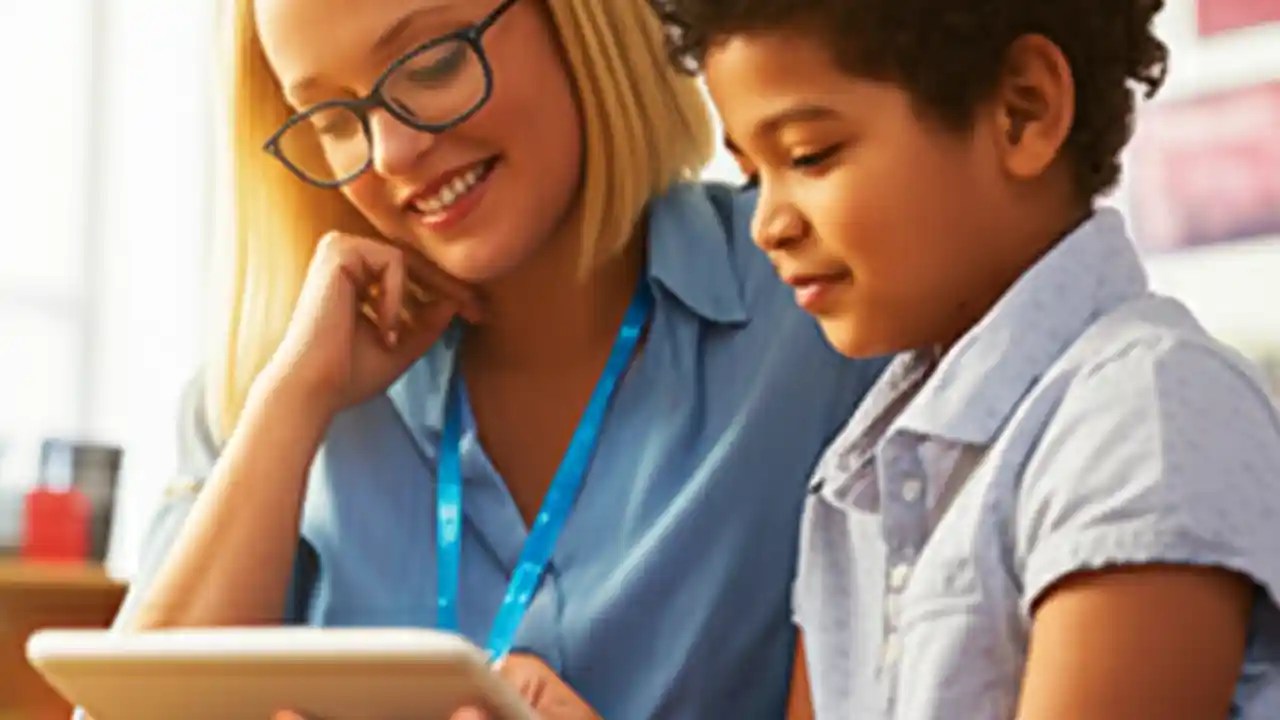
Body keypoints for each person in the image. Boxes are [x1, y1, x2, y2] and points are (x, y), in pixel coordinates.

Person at [105, 0, 888, 718]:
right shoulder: (278, 390)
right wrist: (288, 403)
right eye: (331, 118)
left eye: (434, 63)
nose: (393, 153)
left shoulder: (827, 308)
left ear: (579, 23)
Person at [655, 0, 1280, 718]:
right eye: (751, 177)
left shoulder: (1149, 414)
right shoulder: (857, 480)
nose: (768, 224)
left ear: (1023, 110)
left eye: (808, 156)